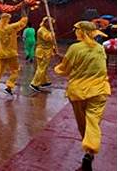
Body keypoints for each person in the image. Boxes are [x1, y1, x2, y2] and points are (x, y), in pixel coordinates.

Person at [54, 21, 110, 171]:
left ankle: (88, 150)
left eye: (77, 30)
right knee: (93, 122)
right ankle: (90, 150)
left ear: (82, 31)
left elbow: (65, 69)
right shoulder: (100, 48)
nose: (75, 32)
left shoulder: (74, 48)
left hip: (78, 92)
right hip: (99, 90)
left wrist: (59, 64)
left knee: (82, 123)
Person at [0, 11, 28, 99]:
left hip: (2, 54)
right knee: (15, 70)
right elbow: (22, 23)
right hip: (11, 54)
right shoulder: (11, 27)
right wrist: (24, 14)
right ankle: (9, 86)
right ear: (7, 19)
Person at [30, 17, 56, 92]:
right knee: (41, 68)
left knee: (42, 68)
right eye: (50, 22)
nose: (51, 24)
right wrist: (52, 33)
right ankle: (34, 84)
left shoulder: (46, 30)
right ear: (45, 22)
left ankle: (44, 81)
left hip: (45, 51)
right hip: (43, 52)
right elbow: (48, 38)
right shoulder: (42, 30)